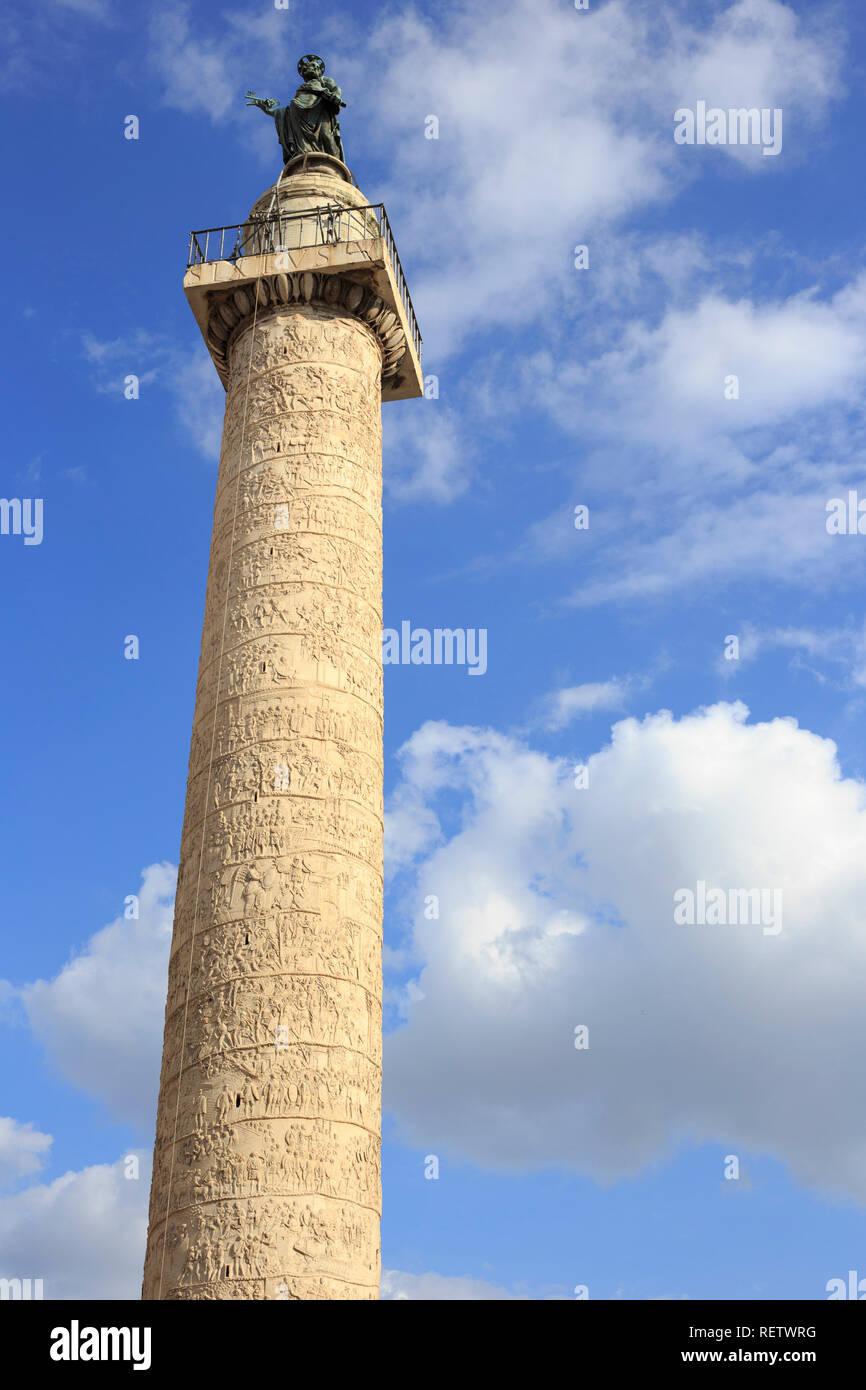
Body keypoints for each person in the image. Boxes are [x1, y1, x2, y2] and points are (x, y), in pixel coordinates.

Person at [246, 55, 346, 166]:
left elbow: (336, 89)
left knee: (327, 137)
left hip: (321, 111)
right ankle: (306, 161)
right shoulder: (302, 90)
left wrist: (336, 96)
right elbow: (287, 114)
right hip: (299, 116)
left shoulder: (324, 81)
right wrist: (267, 110)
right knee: (303, 141)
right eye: (304, 69)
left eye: (313, 66)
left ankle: (332, 166)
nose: (309, 69)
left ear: (318, 70)